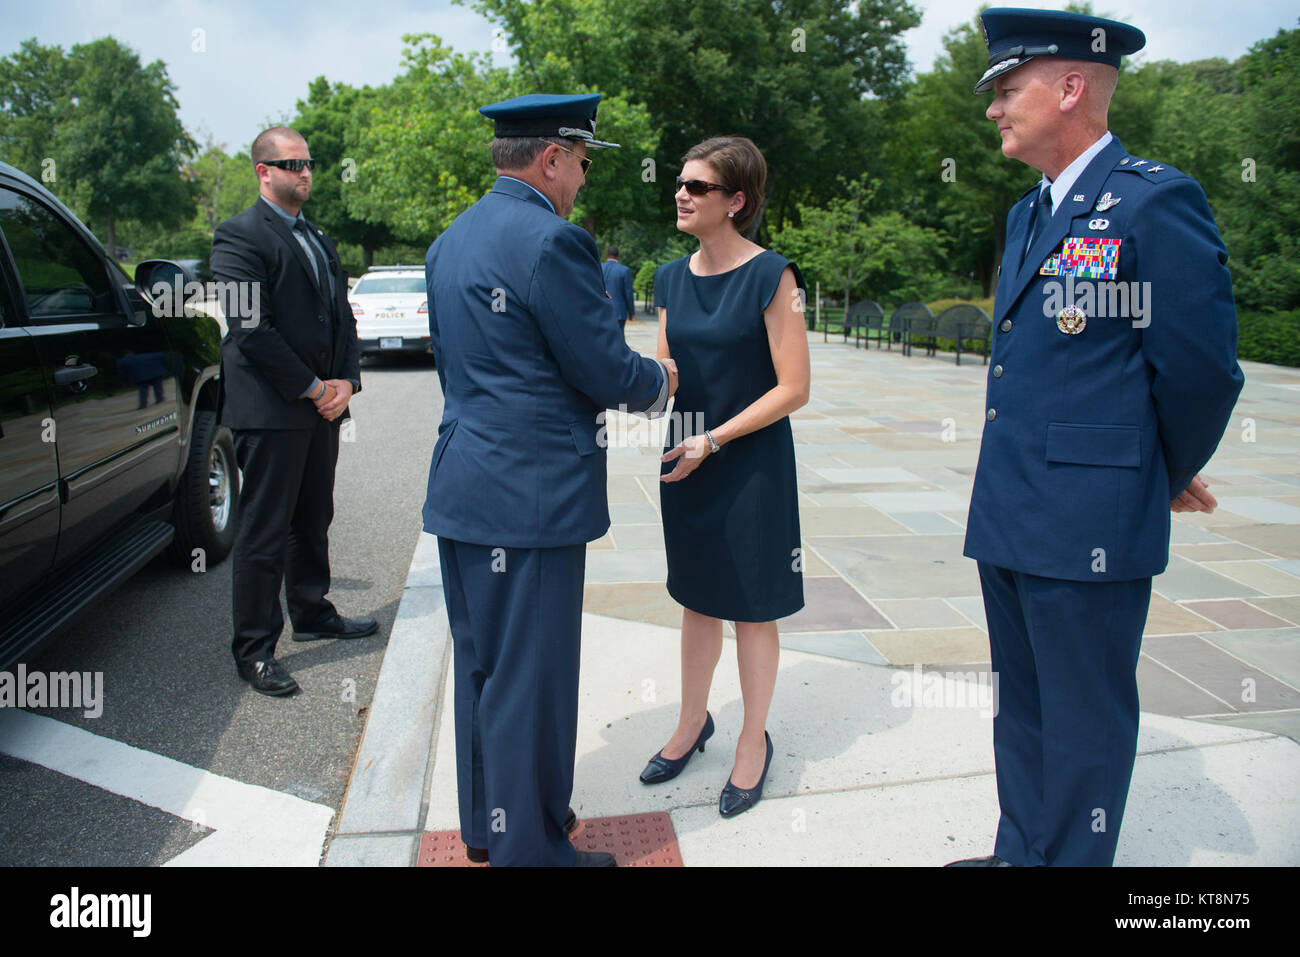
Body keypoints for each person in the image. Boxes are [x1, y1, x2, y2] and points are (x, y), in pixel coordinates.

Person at [950, 8, 1244, 866]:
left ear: (1071, 86)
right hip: (1011, 503)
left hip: (1087, 515)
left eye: (1009, 89)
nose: (996, 108)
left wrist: (1160, 465)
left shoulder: (1155, 200)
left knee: (1082, 717)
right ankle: (1021, 852)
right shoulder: (1027, 213)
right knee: (1022, 702)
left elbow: (1200, 369)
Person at [422, 93, 678, 867]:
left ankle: (489, 828)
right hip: (529, 496)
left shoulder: (450, 240)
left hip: (468, 480)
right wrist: (658, 381)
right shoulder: (552, 242)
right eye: (583, 162)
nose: (582, 181)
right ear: (552, 157)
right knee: (529, 679)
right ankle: (529, 850)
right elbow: (600, 367)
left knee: (485, 672)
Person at [640, 136, 810, 818]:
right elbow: (665, 370)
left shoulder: (775, 276)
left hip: (750, 461)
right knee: (697, 595)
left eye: (698, 187)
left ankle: (751, 739)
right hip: (686, 457)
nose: (681, 193)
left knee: (750, 604)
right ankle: (691, 722)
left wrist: (713, 437)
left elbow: (795, 387)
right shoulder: (669, 279)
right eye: (680, 183)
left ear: (736, 201)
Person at [211, 126, 377, 698]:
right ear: (263, 171)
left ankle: (311, 612)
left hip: (322, 409)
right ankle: (254, 650)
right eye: (291, 165)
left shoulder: (318, 237)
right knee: (263, 531)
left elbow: (343, 318)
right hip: (272, 410)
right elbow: (250, 330)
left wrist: (348, 382)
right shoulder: (235, 237)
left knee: (313, 518)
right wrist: (313, 387)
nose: (304, 173)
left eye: (309, 162)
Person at [600, 245, 635, 333]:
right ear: (618, 256)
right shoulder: (624, 270)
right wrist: (631, 312)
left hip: (601, 310)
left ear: (606, 255)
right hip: (618, 311)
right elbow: (628, 293)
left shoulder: (599, 267)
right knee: (618, 339)